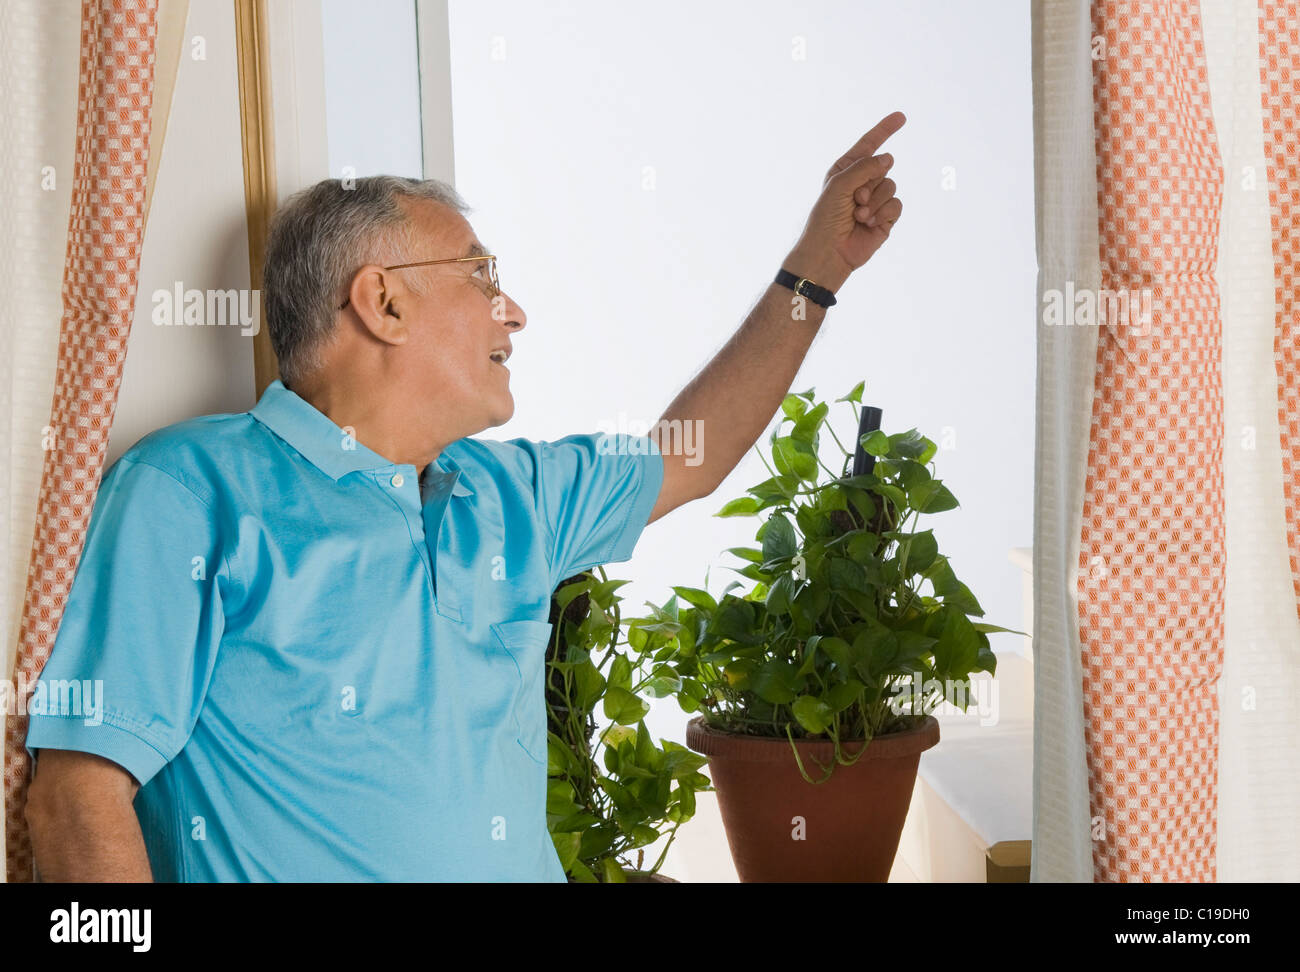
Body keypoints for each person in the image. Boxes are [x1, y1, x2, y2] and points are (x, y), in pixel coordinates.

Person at [23, 112, 905, 881]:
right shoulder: (189, 490)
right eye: (481, 275)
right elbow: (76, 798)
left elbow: (695, 453)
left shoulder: (513, 493)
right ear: (383, 303)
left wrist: (814, 271)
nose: (512, 311)